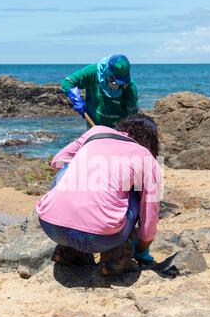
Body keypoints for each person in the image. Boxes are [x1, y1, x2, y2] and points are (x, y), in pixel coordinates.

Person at [36, 114, 161, 276]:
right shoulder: (147, 157)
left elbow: (58, 161)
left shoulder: (96, 132)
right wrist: (141, 251)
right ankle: (117, 258)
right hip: (102, 238)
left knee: (68, 170)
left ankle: (70, 251)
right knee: (135, 192)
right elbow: (150, 216)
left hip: (51, 226)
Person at [61, 55, 139, 128]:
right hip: (94, 126)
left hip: (119, 129)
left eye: (122, 84)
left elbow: (132, 114)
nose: (120, 87)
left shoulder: (129, 87)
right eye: (117, 83)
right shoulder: (92, 72)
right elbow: (67, 82)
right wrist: (77, 100)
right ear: (108, 74)